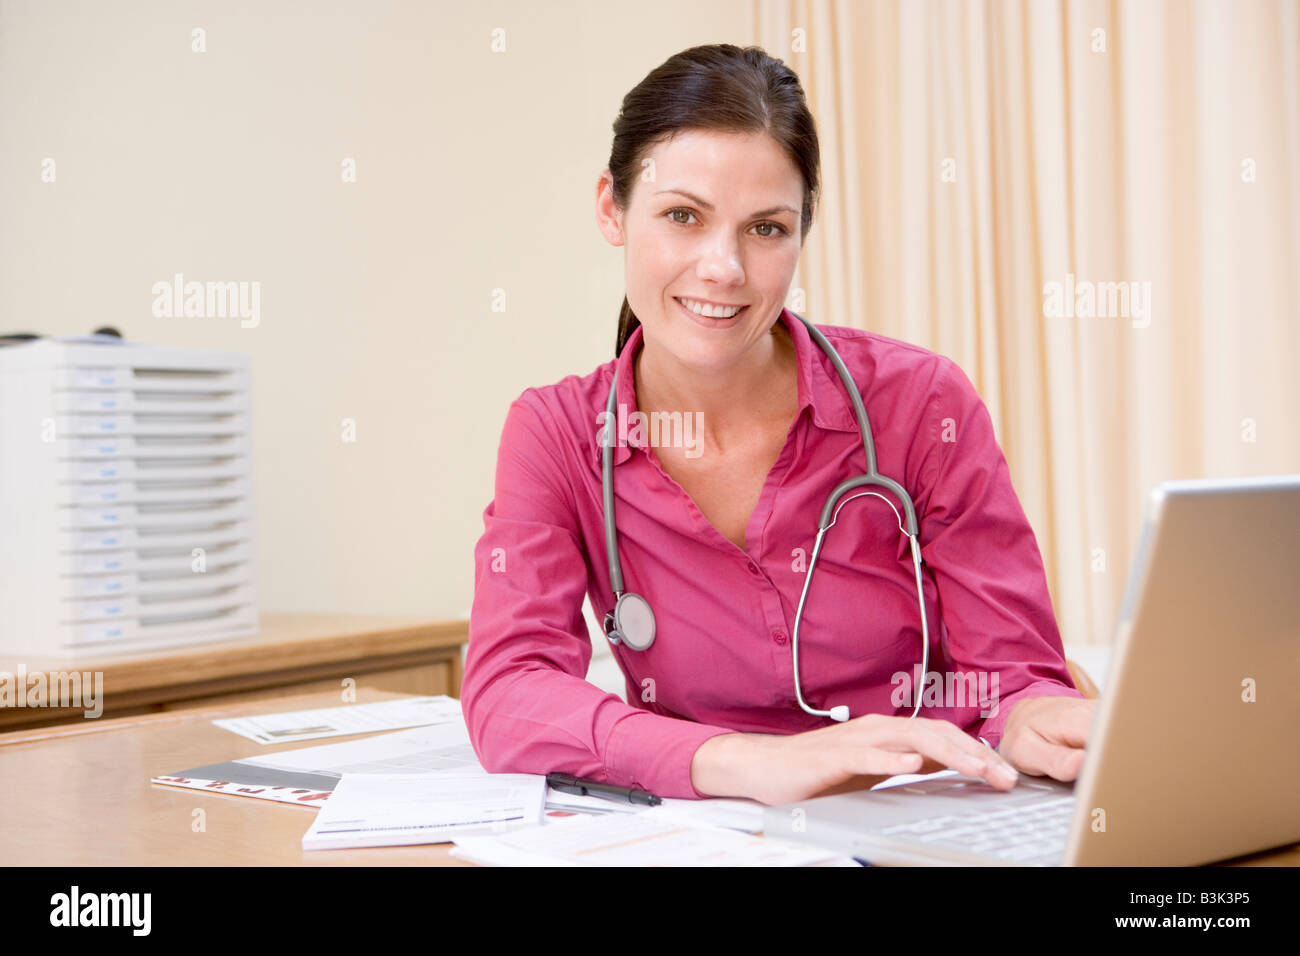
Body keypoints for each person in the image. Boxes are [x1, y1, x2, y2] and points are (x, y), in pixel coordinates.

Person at [462, 43, 1095, 805]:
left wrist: (1030, 714)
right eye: (682, 216)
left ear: (803, 230)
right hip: (710, 829)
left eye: (766, 229)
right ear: (612, 208)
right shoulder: (557, 434)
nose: (723, 267)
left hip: (929, 809)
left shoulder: (920, 403)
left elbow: (1018, 672)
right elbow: (508, 690)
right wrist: (745, 763)